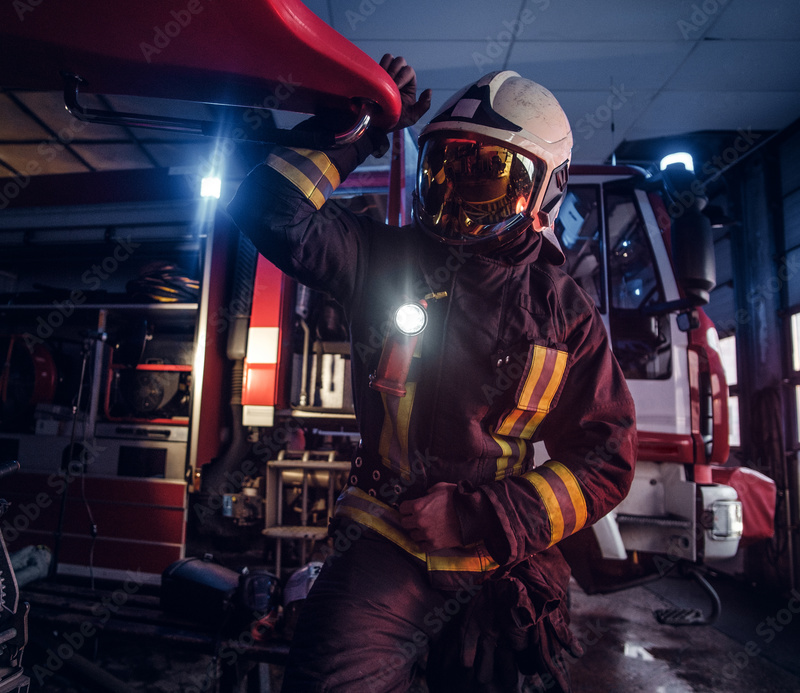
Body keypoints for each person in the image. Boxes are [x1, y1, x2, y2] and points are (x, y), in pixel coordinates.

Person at [227, 55, 636, 692]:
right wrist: (363, 125)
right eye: (444, 169)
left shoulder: (566, 315)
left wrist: (480, 517)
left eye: (484, 176)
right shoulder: (384, 259)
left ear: (542, 193)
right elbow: (270, 209)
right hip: (383, 545)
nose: (455, 194)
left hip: (501, 563)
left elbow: (607, 458)